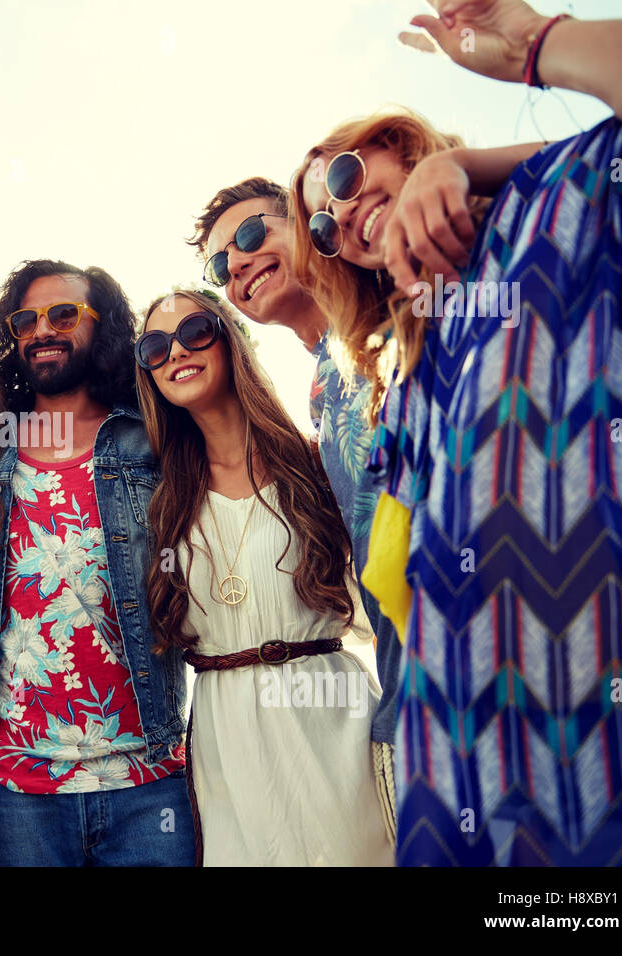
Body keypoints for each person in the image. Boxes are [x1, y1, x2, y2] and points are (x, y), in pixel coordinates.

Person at [290, 0, 622, 864]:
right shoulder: (399, 378)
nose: (341, 218)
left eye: (345, 179)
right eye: (322, 223)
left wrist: (535, 49)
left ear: (400, 144)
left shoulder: (557, 197)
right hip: (457, 745)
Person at [136, 285, 392, 865]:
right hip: (227, 731)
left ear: (232, 341)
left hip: (332, 714)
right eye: (154, 346)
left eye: (194, 332)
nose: (175, 351)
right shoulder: (158, 495)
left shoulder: (319, 460)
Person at [0, 259, 195, 866]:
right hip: (19, 785)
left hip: (149, 774)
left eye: (64, 313)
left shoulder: (149, 435)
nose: (43, 329)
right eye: (26, 319)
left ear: (104, 325)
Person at [191, 176, 402, 844]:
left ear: (310, 223)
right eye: (222, 263)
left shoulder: (403, 323)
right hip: (413, 708)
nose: (240, 263)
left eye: (252, 234)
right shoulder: (324, 385)